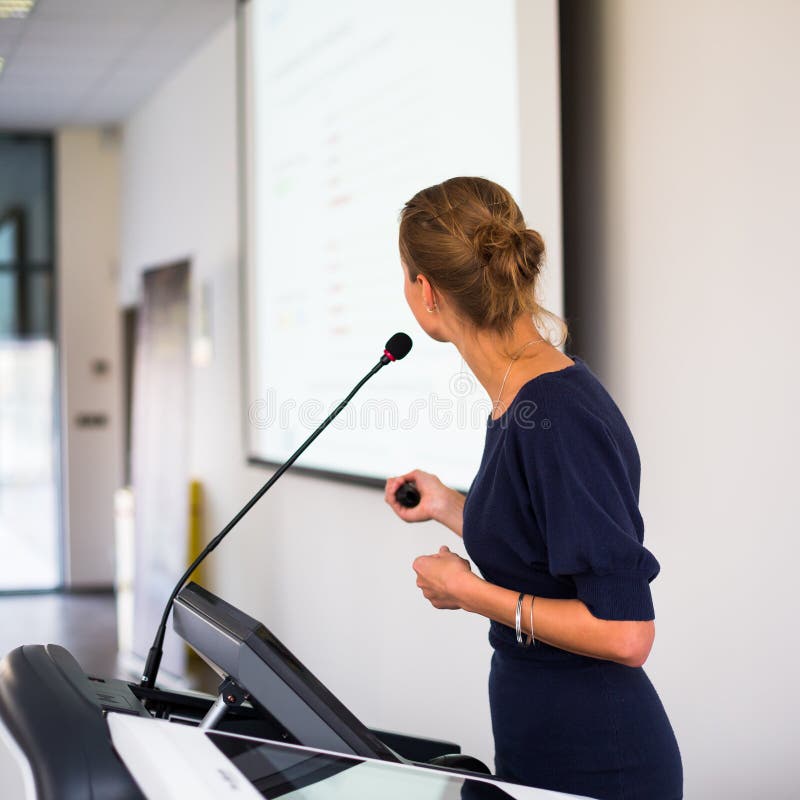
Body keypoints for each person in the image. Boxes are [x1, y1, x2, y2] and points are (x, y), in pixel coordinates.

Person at [384, 177, 682, 800]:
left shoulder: (556, 411)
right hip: (541, 740)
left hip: (600, 763)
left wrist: (470, 592)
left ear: (426, 292)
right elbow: (545, 550)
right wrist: (446, 505)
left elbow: (627, 633)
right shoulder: (520, 393)